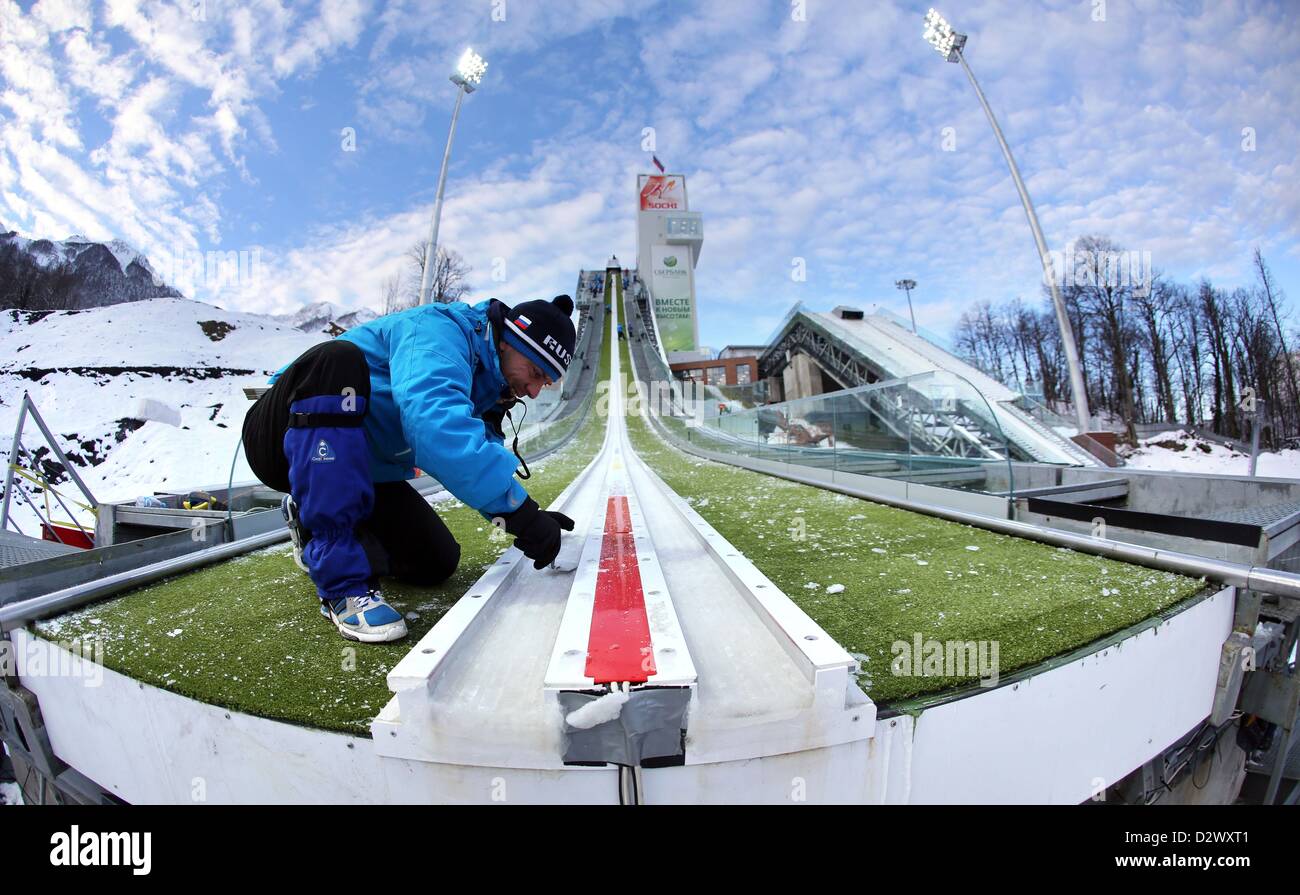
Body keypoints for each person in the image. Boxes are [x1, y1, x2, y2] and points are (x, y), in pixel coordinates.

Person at [242, 295, 578, 643]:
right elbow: (434, 426)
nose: (536, 391)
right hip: (285, 438)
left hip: (360, 468)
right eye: (536, 373)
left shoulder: (492, 387)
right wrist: (522, 516)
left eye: (547, 382)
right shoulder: (439, 331)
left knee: (436, 562)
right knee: (335, 359)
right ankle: (342, 588)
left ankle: (311, 518)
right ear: (508, 341)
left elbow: (479, 455)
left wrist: (523, 513)